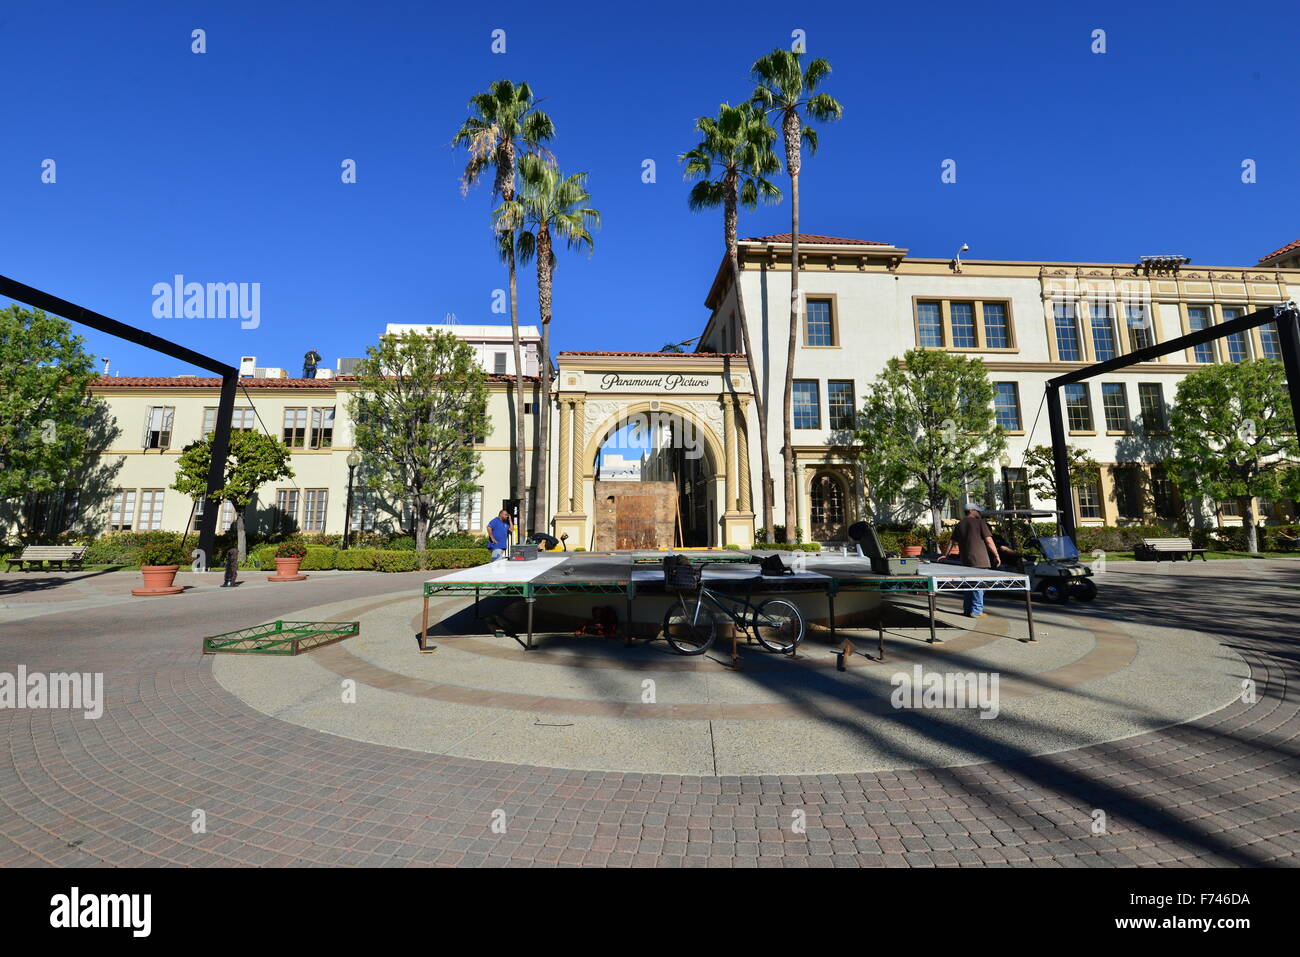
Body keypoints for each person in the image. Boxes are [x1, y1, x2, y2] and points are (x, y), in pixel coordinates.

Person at [945, 502, 1000, 617]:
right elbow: (989, 541)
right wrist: (996, 555)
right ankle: (976, 610)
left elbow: (951, 541)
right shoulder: (980, 522)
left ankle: (967, 608)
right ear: (971, 510)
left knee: (969, 585)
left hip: (965, 560)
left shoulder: (959, 524)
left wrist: (945, 554)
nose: (979, 513)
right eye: (978, 511)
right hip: (980, 560)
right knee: (979, 585)